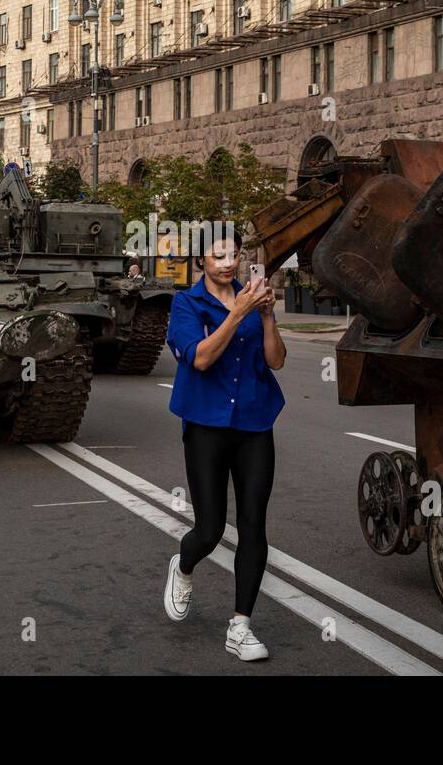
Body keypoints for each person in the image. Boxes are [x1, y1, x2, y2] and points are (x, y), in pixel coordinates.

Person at [162, 225, 286, 661]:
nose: (229, 262)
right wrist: (238, 313)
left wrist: (267, 315)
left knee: (254, 522)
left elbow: (276, 360)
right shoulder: (185, 304)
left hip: (254, 422)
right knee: (210, 529)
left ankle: (241, 625)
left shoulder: (253, 299)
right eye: (218, 256)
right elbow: (199, 358)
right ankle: (185, 563)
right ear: (201, 263)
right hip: (206, 425)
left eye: (234, 254)